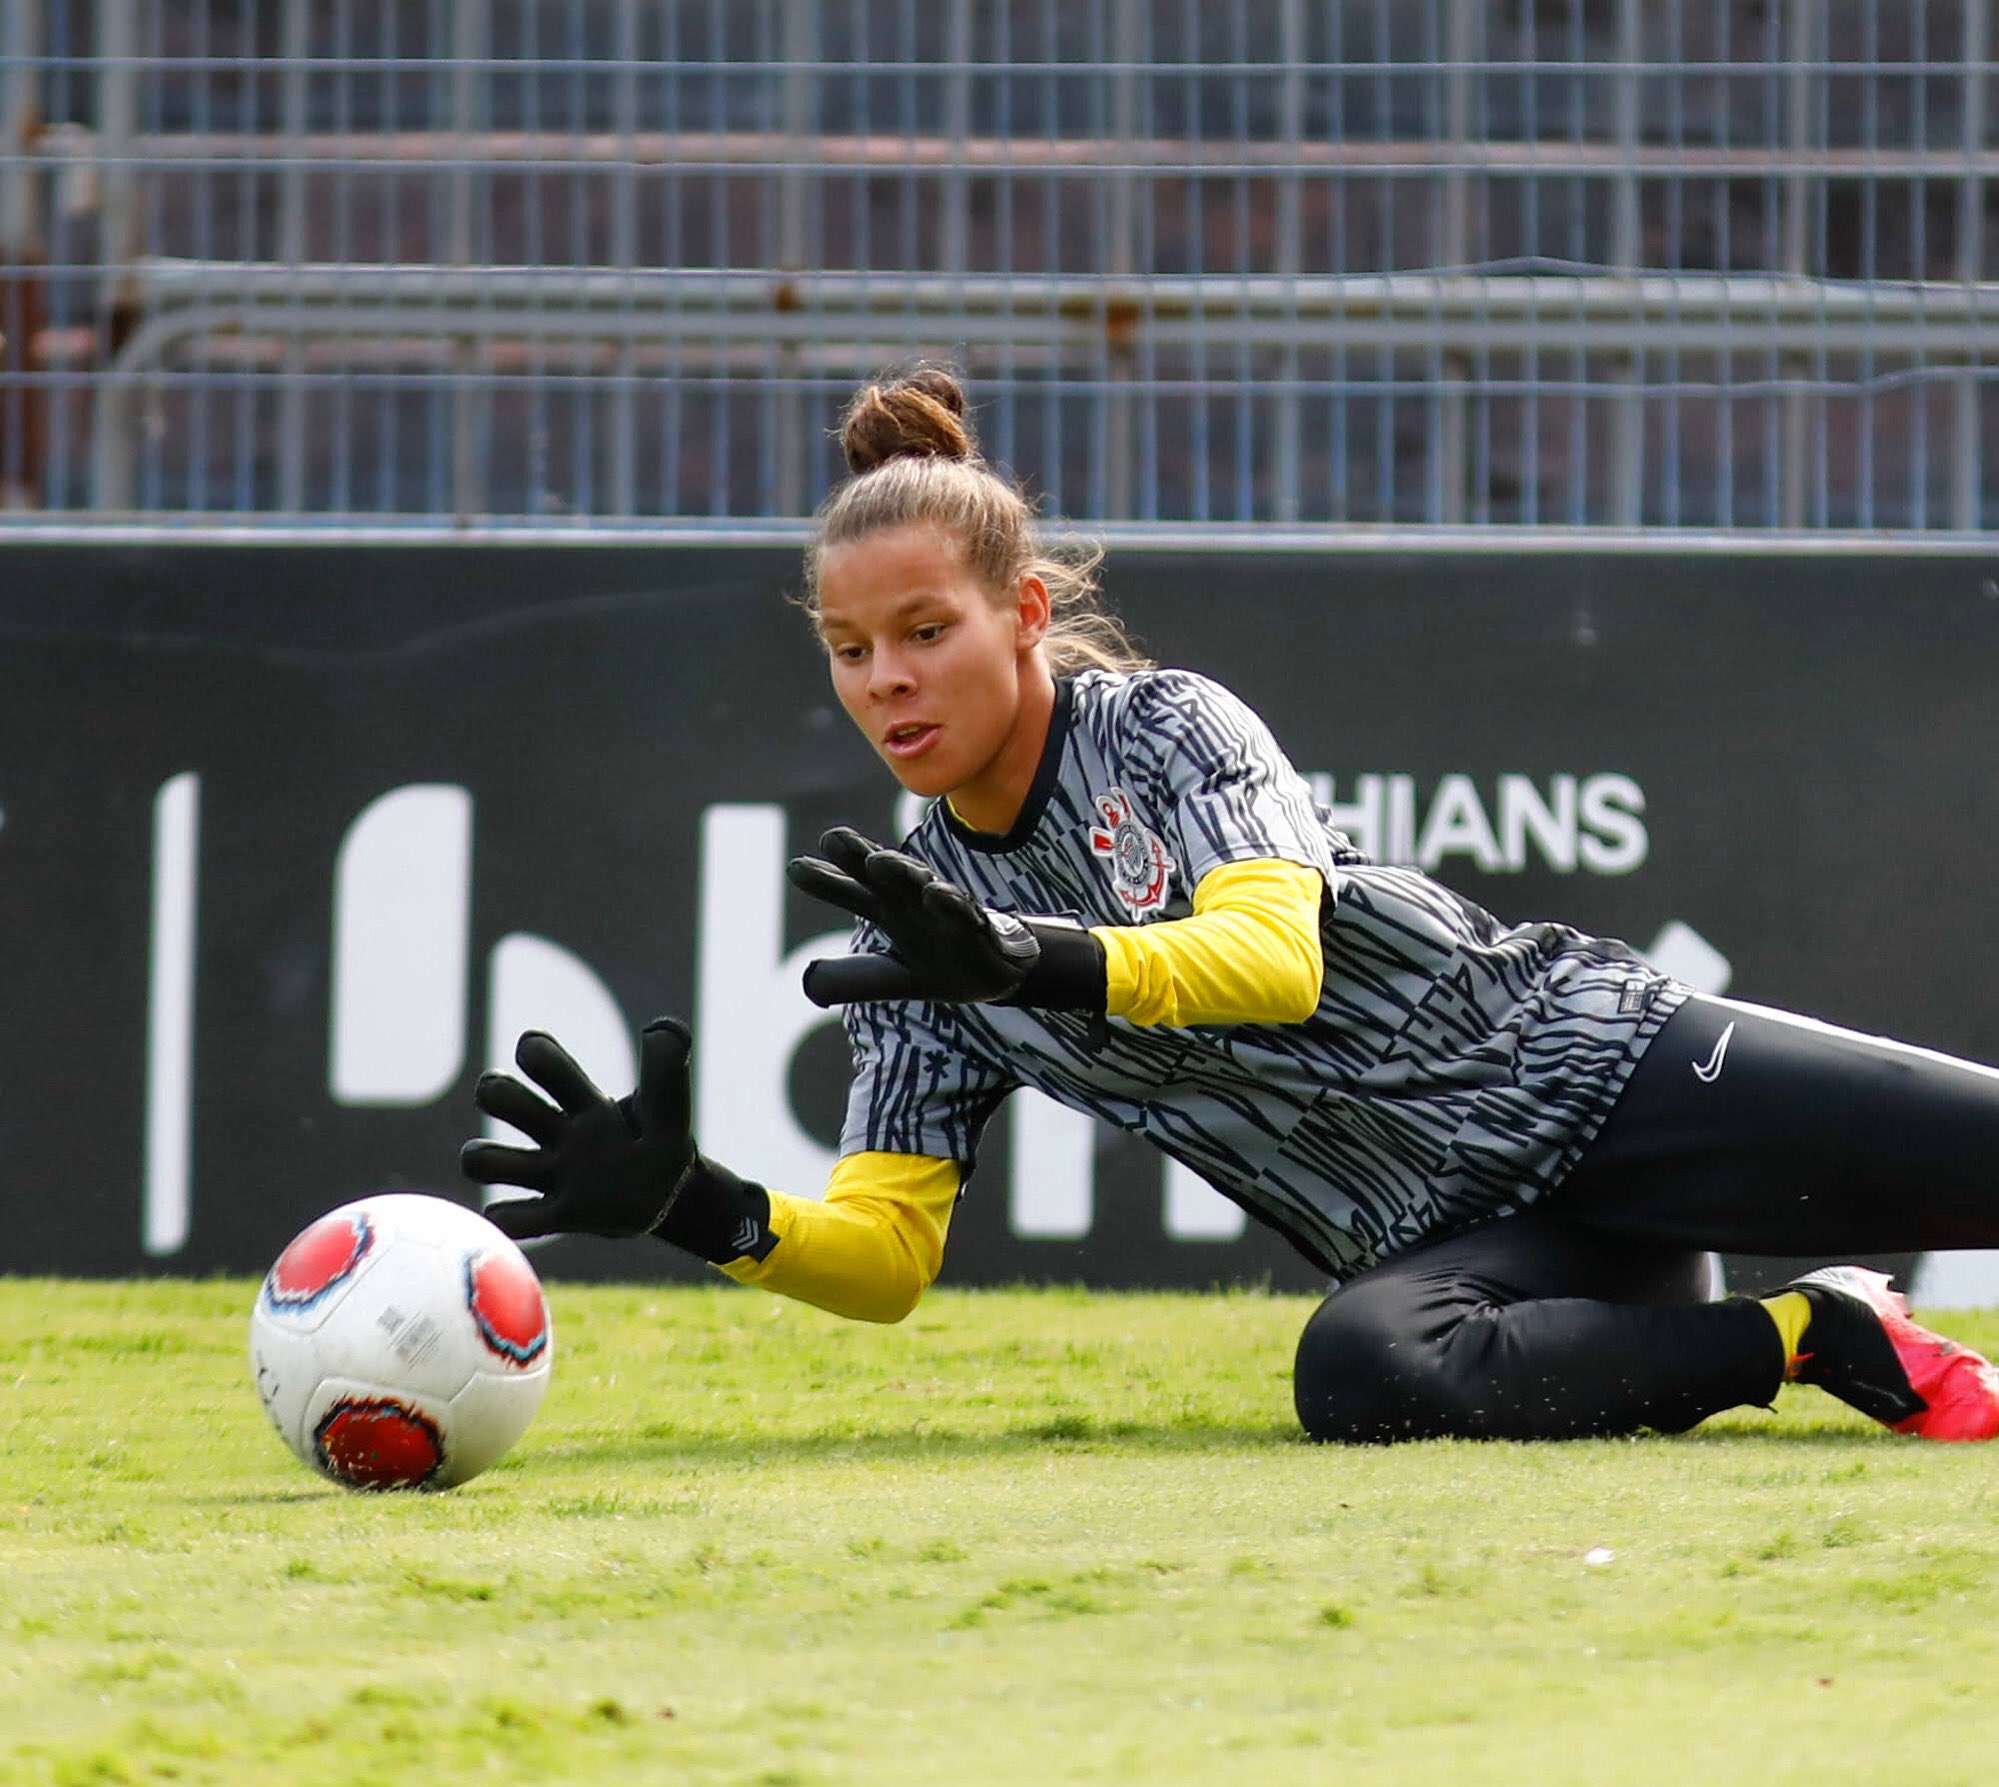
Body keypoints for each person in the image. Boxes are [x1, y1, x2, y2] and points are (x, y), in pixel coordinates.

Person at [460, 365, 1999, 1446]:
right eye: (852, 651)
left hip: (1602, 1075)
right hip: (1477, 1249)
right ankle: (1818, 1334)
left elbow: (1272, 960)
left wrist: (1025, 958)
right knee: (1362, 1374)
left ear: (1025, 613)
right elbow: (884, 1258)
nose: (888, 682)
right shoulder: (915, 926)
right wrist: (700, 1208)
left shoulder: (1165, 728)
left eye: (926, 631)